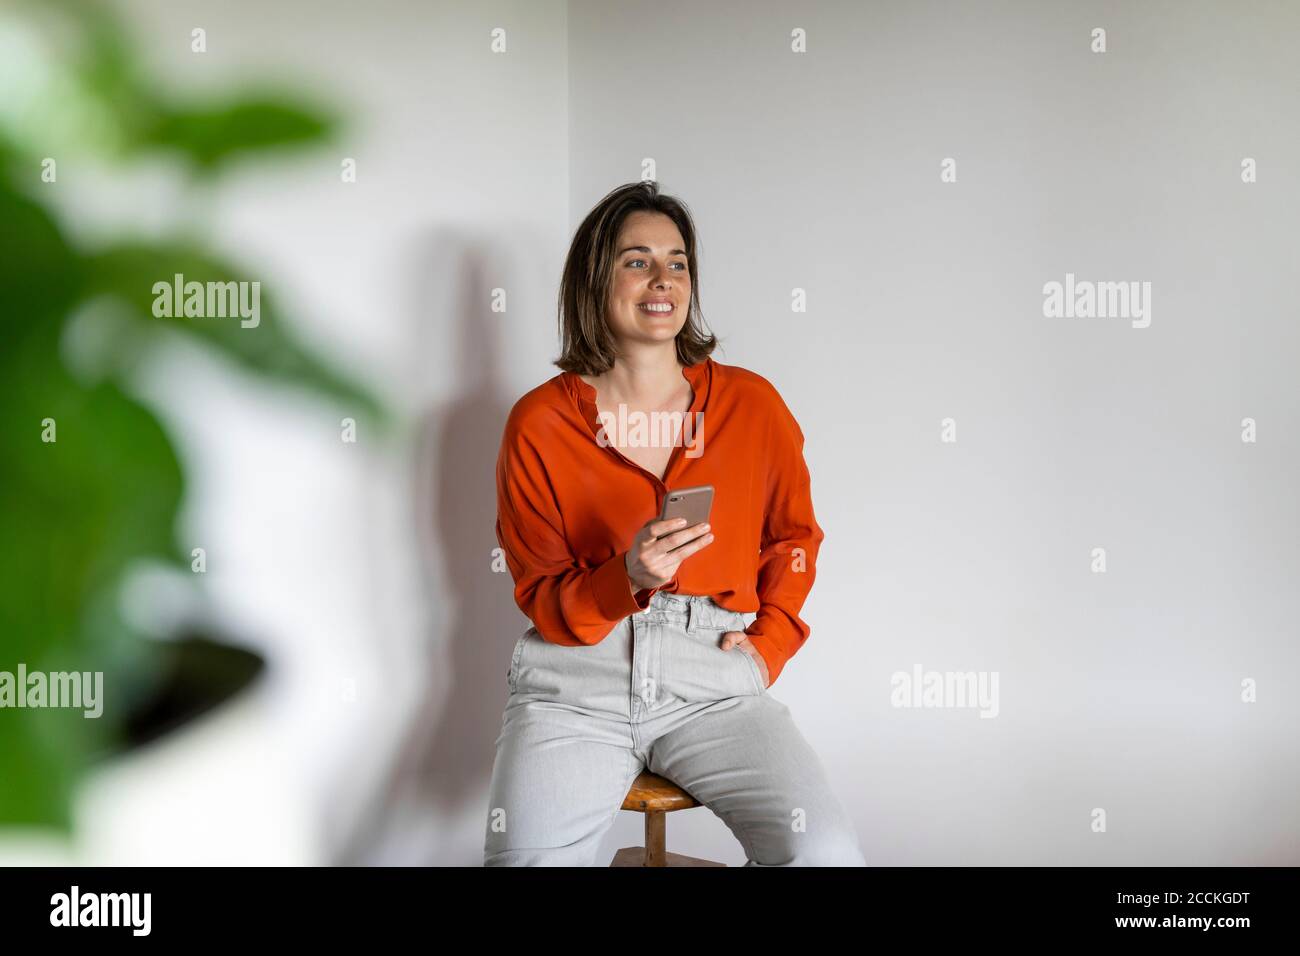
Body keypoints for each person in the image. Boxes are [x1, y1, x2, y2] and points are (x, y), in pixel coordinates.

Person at [483, 181, 865, 866]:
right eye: (636, 260)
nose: (663, 279)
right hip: (574, 684)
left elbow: (795, 538)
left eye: (678, 262)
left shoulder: (753, 404)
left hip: (711, 683)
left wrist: (770, 643)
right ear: (595, 280)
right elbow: (539, 588)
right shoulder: (538, 422)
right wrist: (624, 576)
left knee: (824, 854)